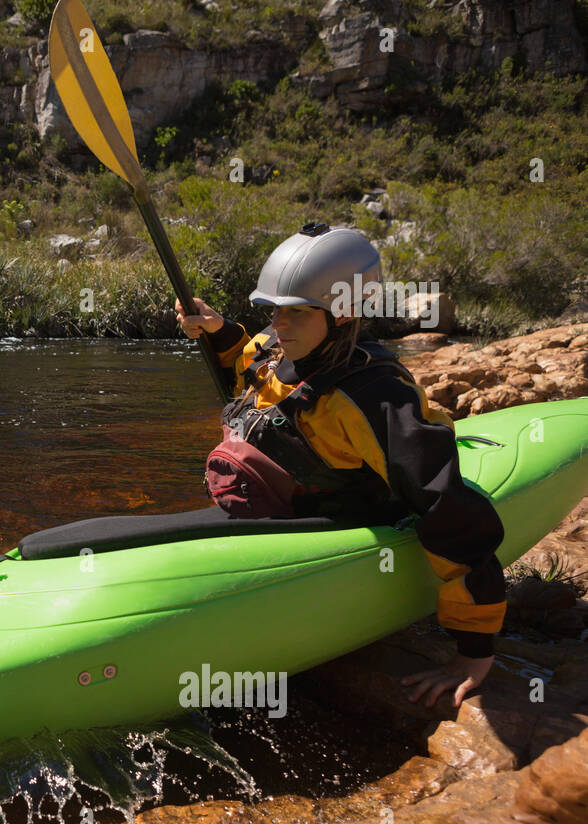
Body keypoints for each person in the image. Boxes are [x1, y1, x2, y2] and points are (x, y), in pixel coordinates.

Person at [175, 222, 506, 708]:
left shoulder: (375, 397)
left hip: (344, 510)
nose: (278, 326)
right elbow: (246, 364)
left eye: (295, 314)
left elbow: (446, 507)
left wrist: (474, 653)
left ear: (343, 313)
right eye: (273, 312)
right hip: (279, 500)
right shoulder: (278, 345)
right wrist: (216, 330)